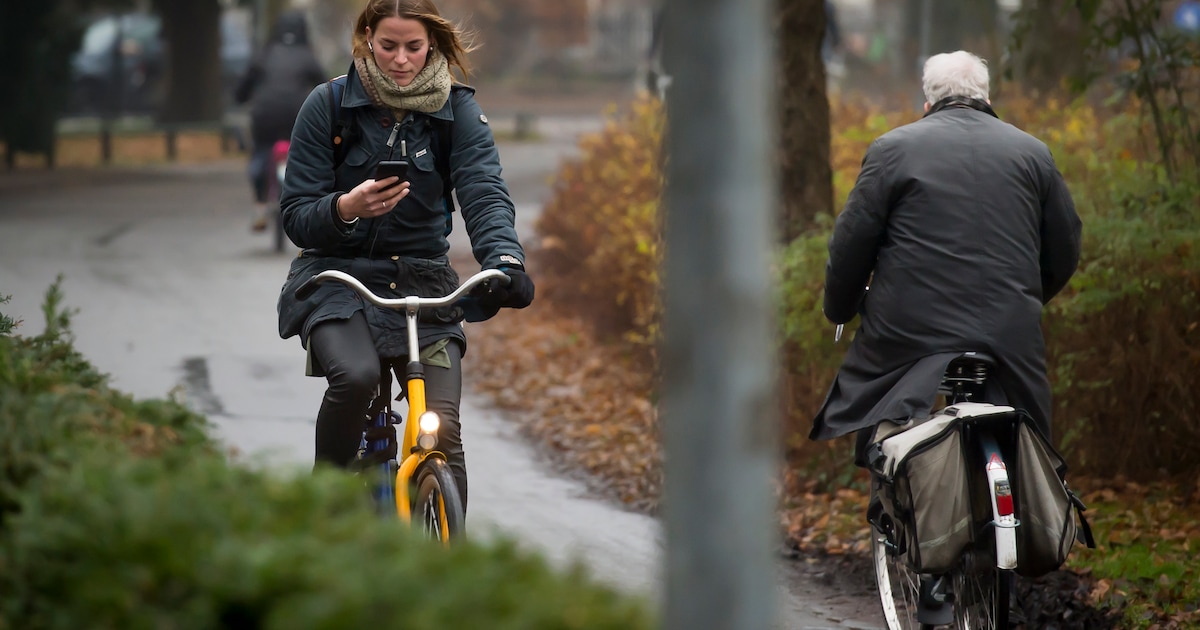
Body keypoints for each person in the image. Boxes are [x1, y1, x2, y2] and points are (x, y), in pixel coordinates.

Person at [276, 0, 534, 515]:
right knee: (356, 378)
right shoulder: (326, 106)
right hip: (336, 280)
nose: (400, 60)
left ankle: (447, 556)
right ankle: (321, 505)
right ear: (366, 38)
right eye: (388, 45)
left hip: (424, 282)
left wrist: (504, 259)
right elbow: (297, 214)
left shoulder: (456, 111)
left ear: (431, 43)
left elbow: (483, 191)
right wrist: (345, 208)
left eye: (413, 47)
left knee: (443, 427)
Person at [810, 50, 1082, 465]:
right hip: (1009, 329)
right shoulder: (1033, 154)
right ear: (987, 97)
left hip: (908, 331)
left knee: (883, 416)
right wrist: (1022, 298)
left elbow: (851, 245)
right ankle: (1032, 515)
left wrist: (840, 308)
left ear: (927, 101)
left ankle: (890, 506)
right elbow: (1064, 250)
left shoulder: (892, 150)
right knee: (1031, 440)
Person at [234, 10, 326, 232]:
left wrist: (241, 98)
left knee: (261, 152)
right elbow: (323, 85)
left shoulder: (264, 54)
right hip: (297, 114)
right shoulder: (307, 56)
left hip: (265, 115)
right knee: (304, 152)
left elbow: (245, 85)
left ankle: (260, 207)